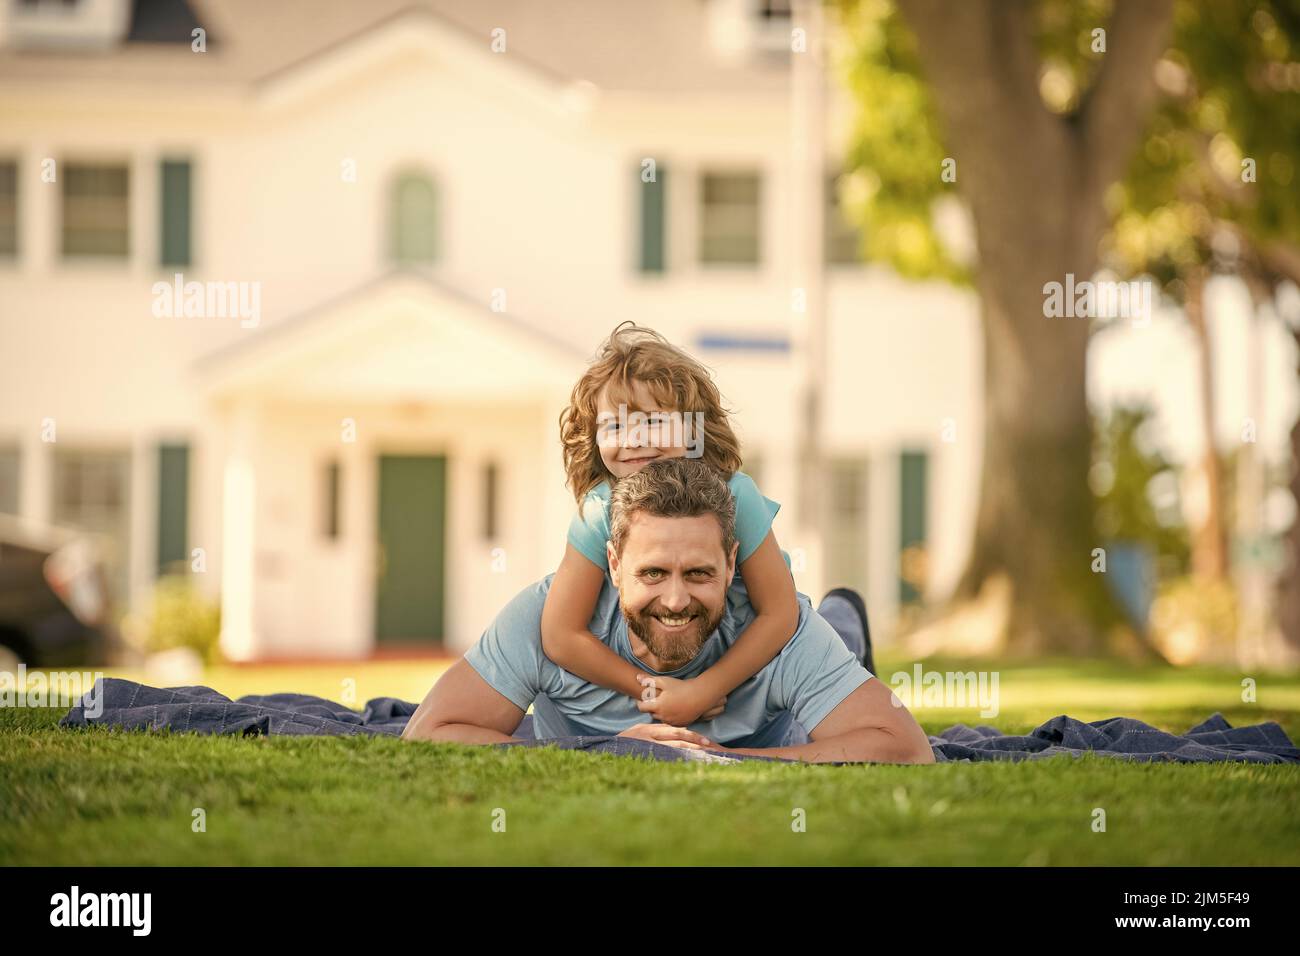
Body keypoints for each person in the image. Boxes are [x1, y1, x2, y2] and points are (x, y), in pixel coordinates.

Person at [403, 458, 934, 764]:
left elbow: (907, 751)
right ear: (612, 564)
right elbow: (428, 733)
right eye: (653, 574)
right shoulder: (549, 617)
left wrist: (714, 758)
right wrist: (605, 749)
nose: (676, 600)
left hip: (799, 690)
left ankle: (844, 620)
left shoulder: (780, 628)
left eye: (698, 574)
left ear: (732, 562)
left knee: (835, 638)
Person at [542, 321, 799, 728]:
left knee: (841, 646)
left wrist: (705, 689)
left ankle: (845, 617)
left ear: (696, 428)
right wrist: (652, 689)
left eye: (654, 421)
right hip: (667, 654)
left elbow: (780, 614)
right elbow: (560, 634)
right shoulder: (599, 510)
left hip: (754, 657)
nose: (634, 439)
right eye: (615, 425)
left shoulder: (736, 496)